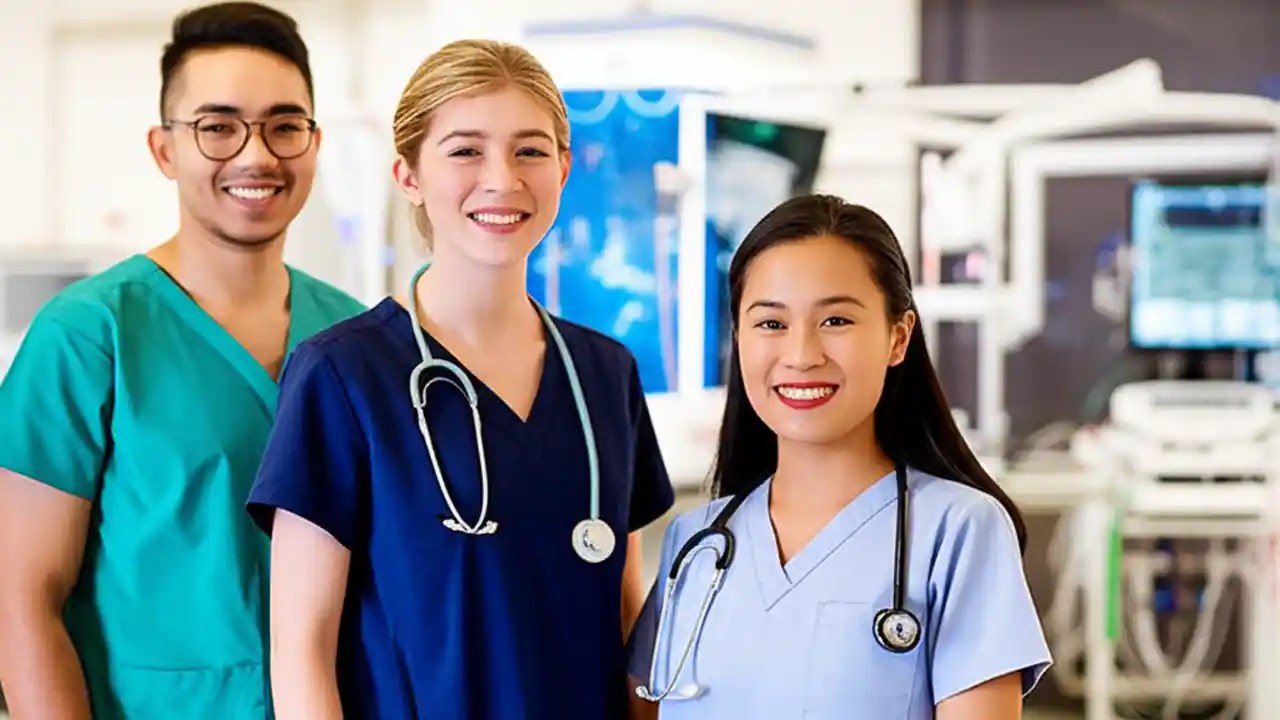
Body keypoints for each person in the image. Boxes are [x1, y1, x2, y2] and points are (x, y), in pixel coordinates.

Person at [245, 38, 676, 720]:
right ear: (409, 175)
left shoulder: (605, 374)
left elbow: (628, 624)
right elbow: (301, 653)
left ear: (563, 168)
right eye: (465, 150)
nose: (502, 179)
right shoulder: (344, 374)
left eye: (530, 150)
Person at [0, 3, 365, 718]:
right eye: (217, 126)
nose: (256, 155)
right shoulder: (88, 334)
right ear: (165, 149)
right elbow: (20, 598)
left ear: (314, 145)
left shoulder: (356, 337)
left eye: (285, 126)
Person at [627, 194, 1052, 719]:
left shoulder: (959, 531)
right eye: (771, 324)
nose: (802, 355)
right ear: (738, 338)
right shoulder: (695, 544)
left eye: (835, 321)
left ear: (899, 337)